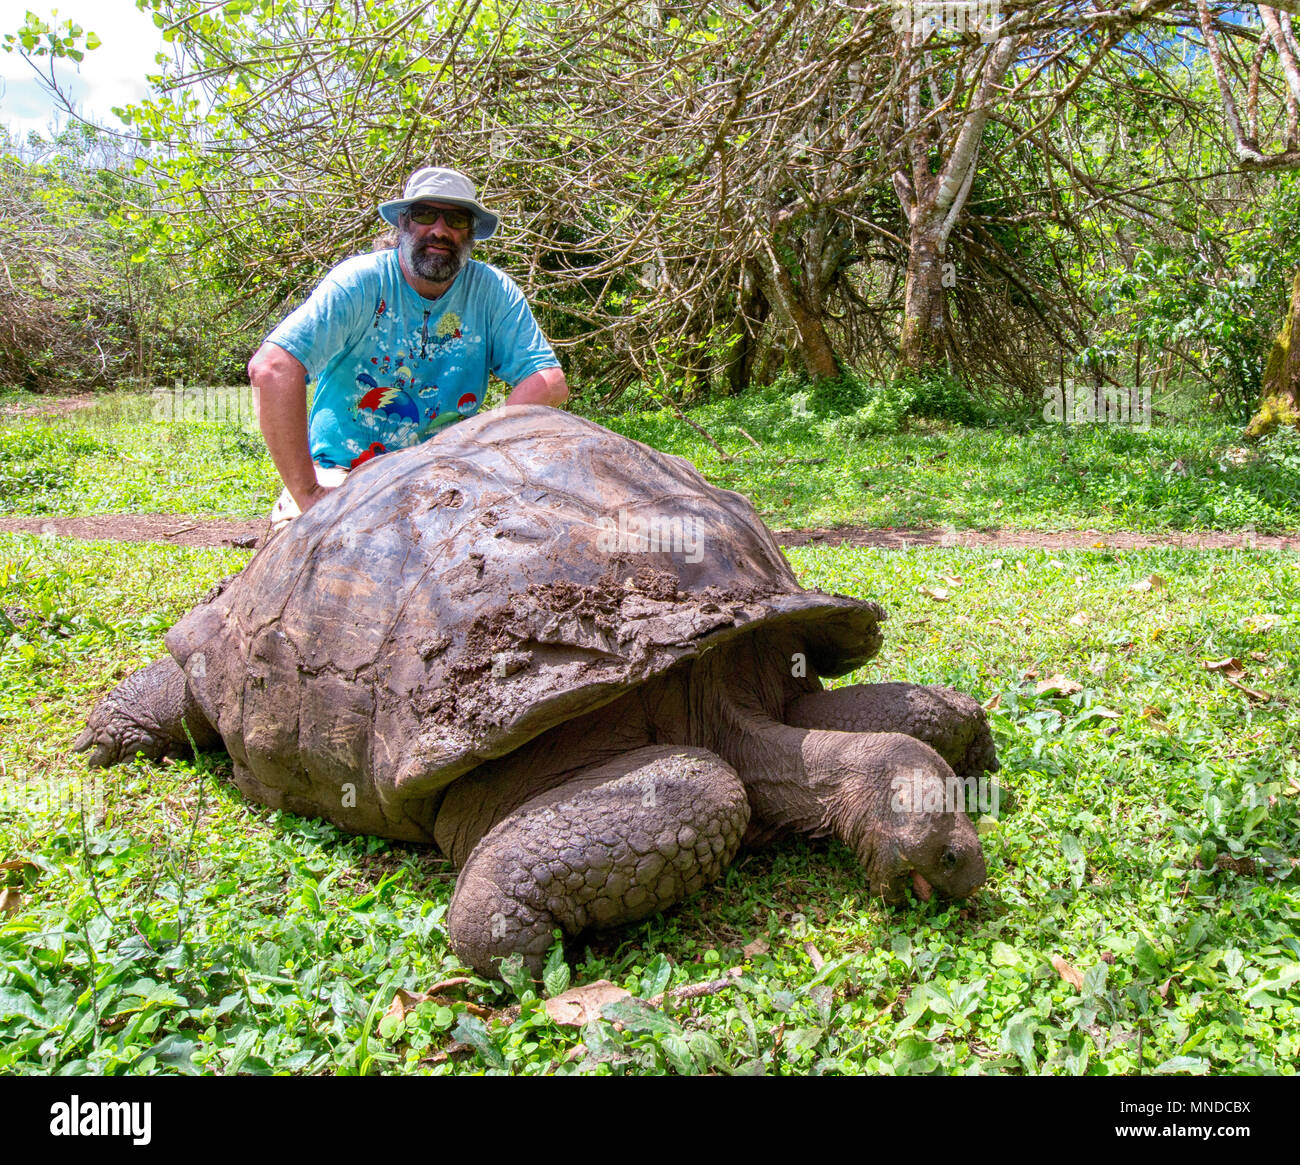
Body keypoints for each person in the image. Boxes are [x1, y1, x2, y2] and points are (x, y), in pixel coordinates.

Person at [247, 166, 568, 527]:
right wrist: (308, 494)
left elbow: (549, 381)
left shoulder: (493, 292)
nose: (440, 230)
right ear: (403, 222)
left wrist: (475, 447)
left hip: (446, 482)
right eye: (426, 214)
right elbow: (272, 367)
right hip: (344, 475)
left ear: (472, 232)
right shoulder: (361, 282)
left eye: (457, 219)